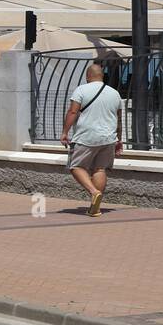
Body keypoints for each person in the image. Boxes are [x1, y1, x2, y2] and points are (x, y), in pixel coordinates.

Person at [60, 62, 123, 216]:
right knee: (99, 169)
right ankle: (96, 207)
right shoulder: (114, 93)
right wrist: (119, 140)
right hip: (108, 138)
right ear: (102, 76)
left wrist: (64, 132)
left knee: (75, 166)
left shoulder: (81, 90)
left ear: (88, 76)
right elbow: (119, 119)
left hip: (86, 137)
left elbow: (73, 112)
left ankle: (94, 192)